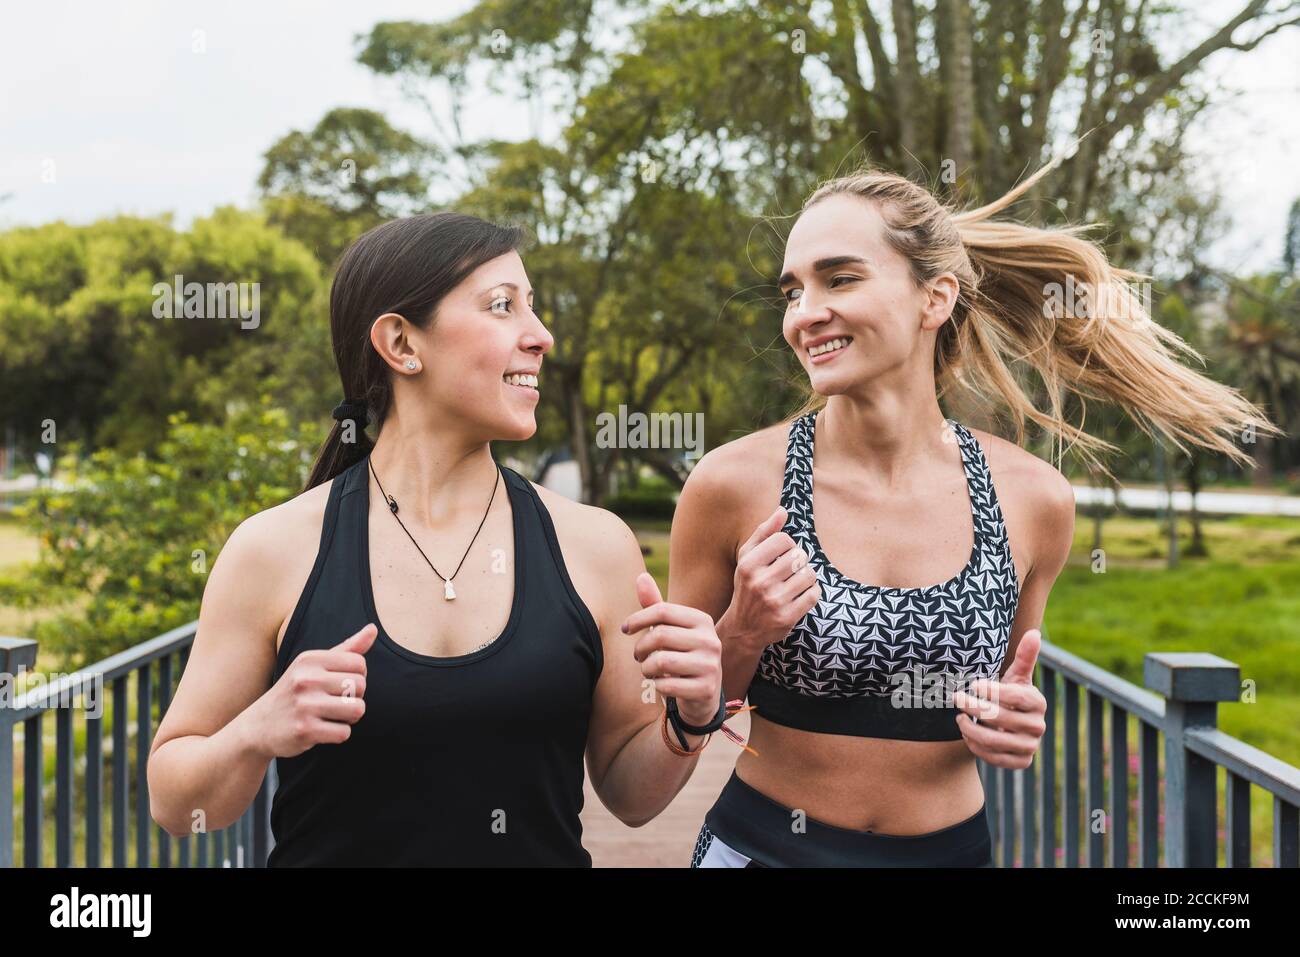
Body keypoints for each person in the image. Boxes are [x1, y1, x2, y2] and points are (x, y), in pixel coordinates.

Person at [671, 161, 1276, 867]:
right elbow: (677, 721)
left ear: (936, 297)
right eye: (793, 290)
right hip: (761, 850)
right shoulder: (732, 484)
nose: (804, 313)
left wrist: (1015, 726)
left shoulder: (1034, 498)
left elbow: (1007, 691)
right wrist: (740, 633)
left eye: (839, 279)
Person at [147, 212, 726, 866]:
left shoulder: (596, 547)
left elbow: (631, 794)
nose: (542, 336)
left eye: (532, 308)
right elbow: (176, 802)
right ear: (401, 343)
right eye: (503, 306)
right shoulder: (273, 550)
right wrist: (257, 729)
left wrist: (691, 715)